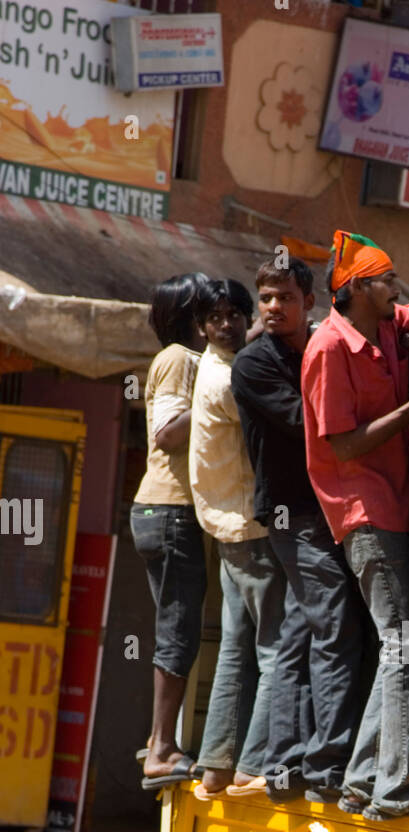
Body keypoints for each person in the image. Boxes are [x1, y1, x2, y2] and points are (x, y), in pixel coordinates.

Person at [301, 230, 409, 821]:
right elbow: (344, 443)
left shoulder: (386, 319)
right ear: (356, 288)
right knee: (405, 647)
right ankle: (394, 790)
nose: (395, 288)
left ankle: (360, 782)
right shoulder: (328, 349)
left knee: (399, 648)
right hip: (361, 509)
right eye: (386, 279)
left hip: (398, 502)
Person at [231, 254, 366, 803]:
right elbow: (311, 426)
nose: (272, 308)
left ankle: (282, 762)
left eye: (284, 297)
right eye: (265, 298)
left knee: (299, 631)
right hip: (294, 513)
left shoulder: (317, 347)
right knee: (332, 626)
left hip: (327, 509)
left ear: (309, 301)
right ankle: (321, 762)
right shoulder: (254, 362)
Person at [188, 277, 291, 800]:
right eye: (216, 318)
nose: (227, 325)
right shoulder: (228, 378)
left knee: (236, 647)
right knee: (274, 646)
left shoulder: (215, 365)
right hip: (250, 528)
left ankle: (216, 767)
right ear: (201, 326)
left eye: (236, 315)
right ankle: (253, 766)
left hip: (231, 527)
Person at [131, 272, 209, 791]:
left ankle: (158, 739)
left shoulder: (182, 359)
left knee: (173, 628)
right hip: (171, 512)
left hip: (160, 511)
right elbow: (166, 432)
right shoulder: (181, 359)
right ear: (191, 315)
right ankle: (161, 748)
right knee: (179, 631)